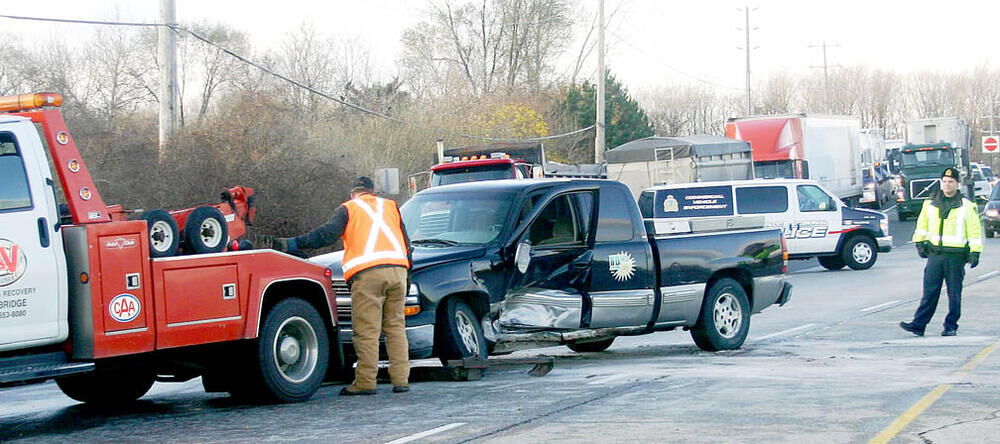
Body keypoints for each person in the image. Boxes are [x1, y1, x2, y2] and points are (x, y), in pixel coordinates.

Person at [272, 176, 412, 395]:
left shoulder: (348, 209)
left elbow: (326, 235)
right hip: (398, 271)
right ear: (372, 191)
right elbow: (406, 243)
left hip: (368, 273)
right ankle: (401, 380)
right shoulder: (390, 206)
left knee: (367, 331)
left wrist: (295, 243)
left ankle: (366, 382)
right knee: (395, 327)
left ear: (352, 193)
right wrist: (407, 275)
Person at [899, 167, 983, 337]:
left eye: (950, 182)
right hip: (935, 254)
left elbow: (974, 231)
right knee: (930, 292)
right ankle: (918, 325)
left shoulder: (967, 206)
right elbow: (922, 225)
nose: (947, 185)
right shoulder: (930, 203)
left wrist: (975, 252)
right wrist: (919, 243)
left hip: (956, 256)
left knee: (954, 294)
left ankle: (950, 326)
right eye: (944, 181)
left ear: (957, 184)